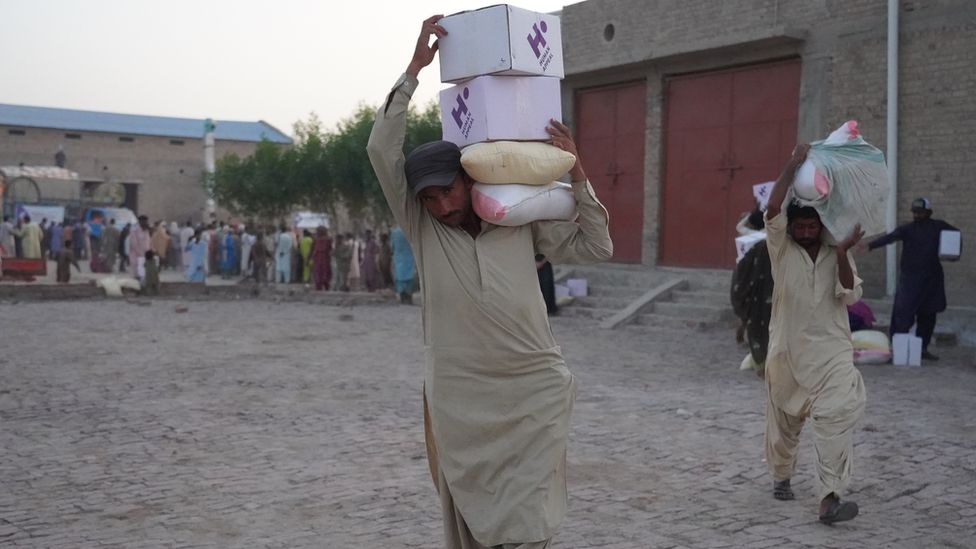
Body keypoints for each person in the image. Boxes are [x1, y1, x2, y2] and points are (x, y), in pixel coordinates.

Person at [365, 16, 613, 548]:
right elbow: (380, 152)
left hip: (530, 389)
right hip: (461, 397)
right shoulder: (423, 227)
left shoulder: (518, 219)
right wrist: (413, 71)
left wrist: (578, 175)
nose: (440, 205)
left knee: (529, 518)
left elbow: (597, 245)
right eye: (428, 198)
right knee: (471, 519)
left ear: (469, 180)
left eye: (446, 192)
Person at [762, 143, 866, 525]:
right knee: (784, 426)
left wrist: (841, 252)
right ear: (790, 228)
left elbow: (849, 292)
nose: (805, 231)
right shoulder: (781, 250)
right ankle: (782, 474)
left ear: (821, 226)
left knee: (836, 418)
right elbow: (772, 209)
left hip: (832, 354)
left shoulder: (836, 251)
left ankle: (830, 498)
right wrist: (792, 165)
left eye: (811, 225)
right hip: (787, 353)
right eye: (799, 226)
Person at [862, 198, 958, 361]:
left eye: (920, 212)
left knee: (928, 316)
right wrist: (870, 246)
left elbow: (955, 235)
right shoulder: (908, 229)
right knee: (902, 315)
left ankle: (922, 349)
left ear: (929, 213)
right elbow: (890, 237)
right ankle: (898, 350)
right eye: (915, 212)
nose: (917, 215)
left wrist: (952, 252)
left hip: (931, 280)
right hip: (910, 280)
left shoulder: (939, 227)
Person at [730, 209, 773, 377]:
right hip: (765, 287)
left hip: (755, 287)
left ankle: (762, 362)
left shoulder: (754, 238)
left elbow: (740, 227)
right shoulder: (770, 239)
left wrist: (752, 213)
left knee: (754, 322)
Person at [390, 226, 415, 304]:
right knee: (409, 278)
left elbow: (392, 246)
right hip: (409, 259)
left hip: (399, 259)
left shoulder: (394, 233)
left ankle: (402, 298)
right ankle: (409, 299)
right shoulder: (410, 231)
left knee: (400, 278)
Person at [311, 226, 332, 291]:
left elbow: (330, 249)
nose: (317, 233)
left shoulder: (328, 240)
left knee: (324, 273)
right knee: (318, 273)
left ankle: (326, 286)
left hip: (325, 258)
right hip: (318, 258)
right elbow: (312, 249)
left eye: (318, 231)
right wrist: (310, 258)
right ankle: (318, 287)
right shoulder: (315, 240)